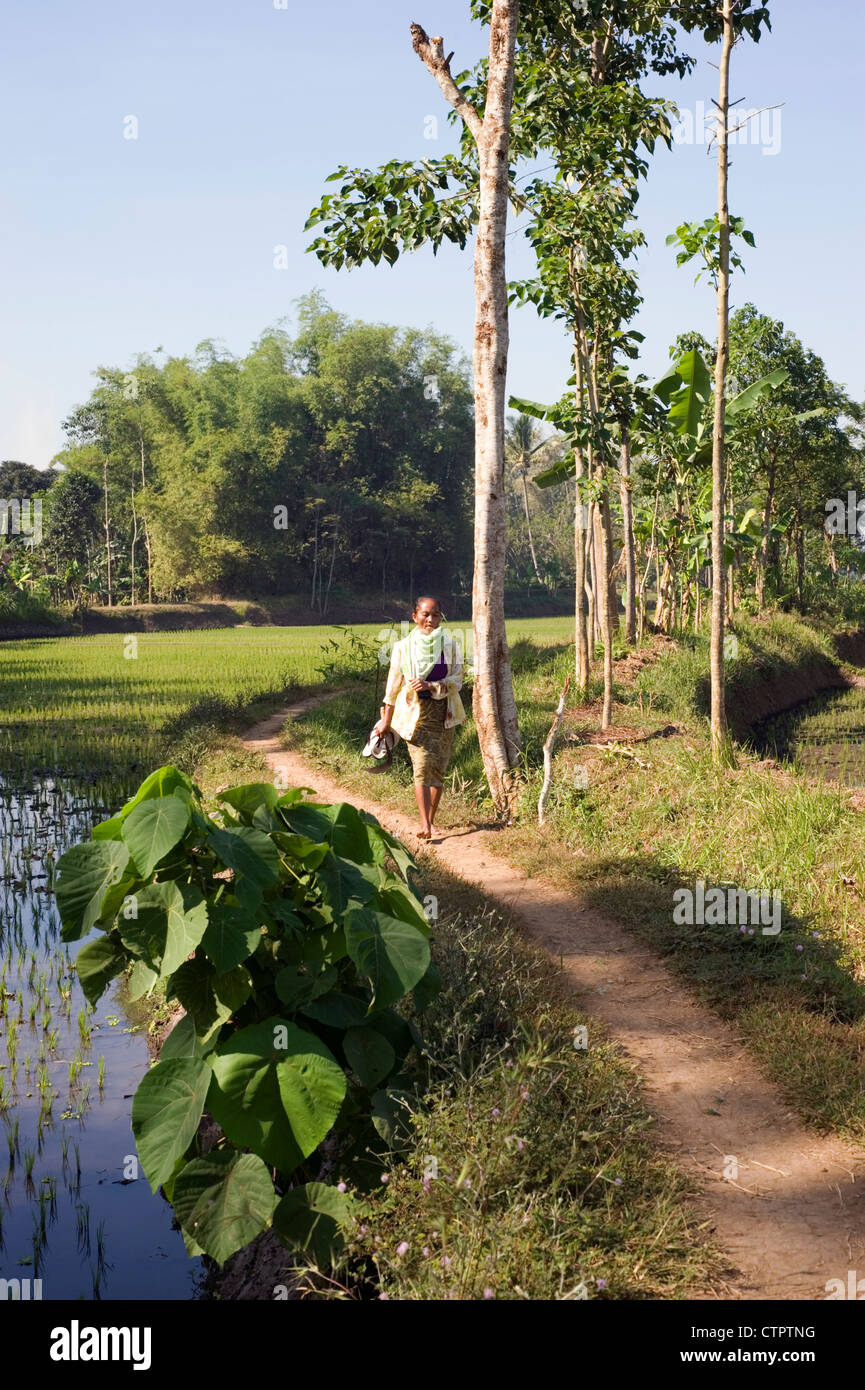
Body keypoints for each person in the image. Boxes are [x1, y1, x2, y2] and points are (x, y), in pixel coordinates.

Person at [373, 596, 466, 840]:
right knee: (422, 768)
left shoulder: (450, 645)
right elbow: (392, 689)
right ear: (415, 617)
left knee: (438, 770)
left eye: (435, 615)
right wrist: (385, 720)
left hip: (444, 716)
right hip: (415, 718)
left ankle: (432, 822)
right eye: (425, 614)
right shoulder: (403, 648)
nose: (430, 620)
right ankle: (424, 824)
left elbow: (459, 679)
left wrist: (433, 685)